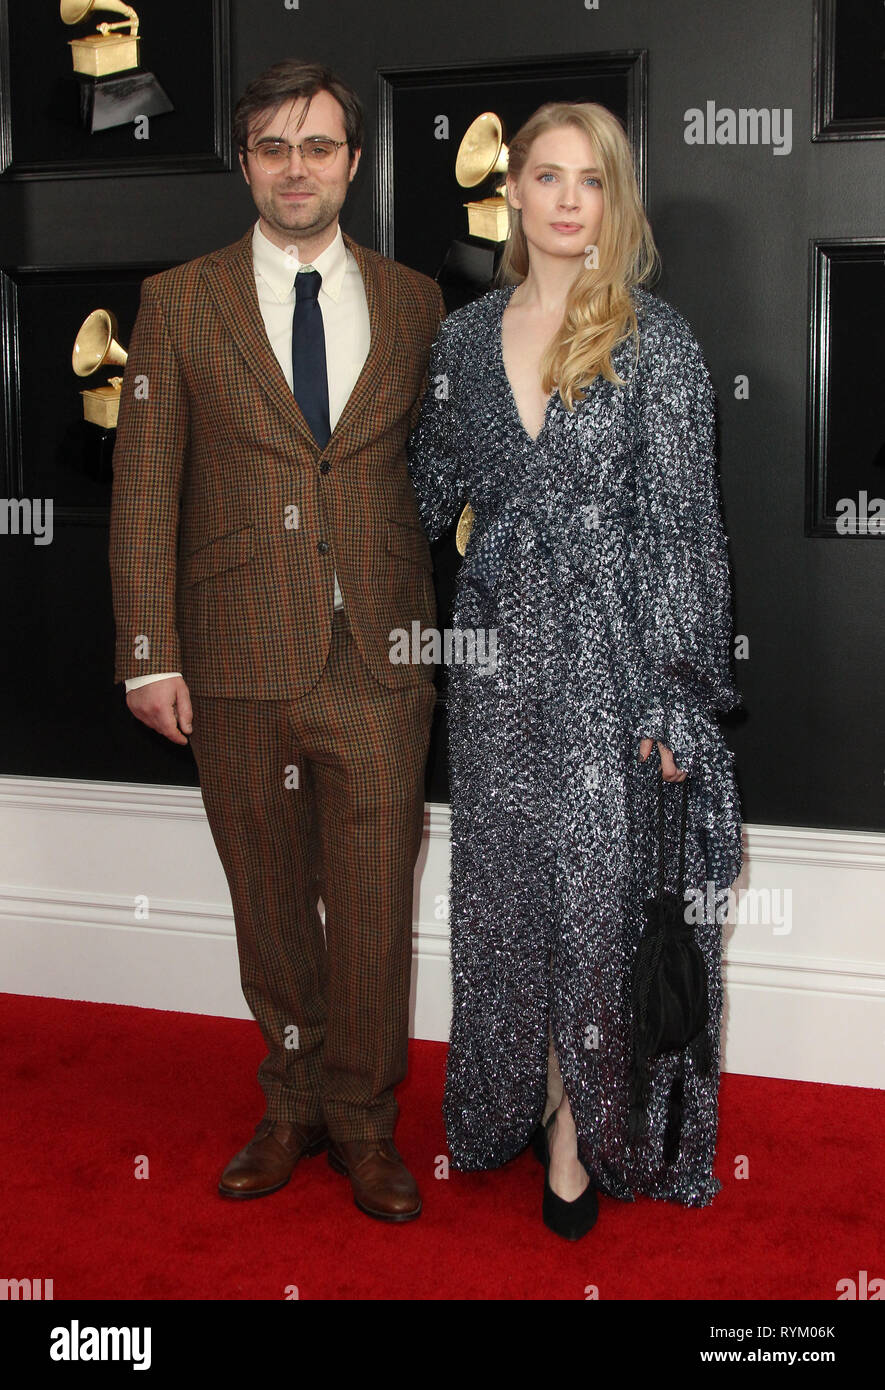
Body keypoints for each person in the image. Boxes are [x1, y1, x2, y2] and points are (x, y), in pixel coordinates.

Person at [109, 59, 446, 1223]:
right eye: (271, 146)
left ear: (352, 163)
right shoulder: (179, 299)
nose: (294, 167)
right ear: (245, 162)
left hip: (383, 657)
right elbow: (145, 490)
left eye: (317, 146)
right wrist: (150, 649)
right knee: (264, 899)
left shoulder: (414, 302)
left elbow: (436, 473)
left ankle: (364, 1120)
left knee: (368, 906)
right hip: (235, 652)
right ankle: (291, 1099)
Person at [406, 100, 742, 1239]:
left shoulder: (658, 341)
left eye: (586, 180)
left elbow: (688, 533)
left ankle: (579, 1132)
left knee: (599, 902)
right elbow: (420, 492)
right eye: (542, 177)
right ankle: (514, 1096)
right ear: (512, 196)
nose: (561, 199)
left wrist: (676, 696)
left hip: (615, 661)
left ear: (612, 199)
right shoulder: (461, 340)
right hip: (498, 663)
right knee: (505, 900)